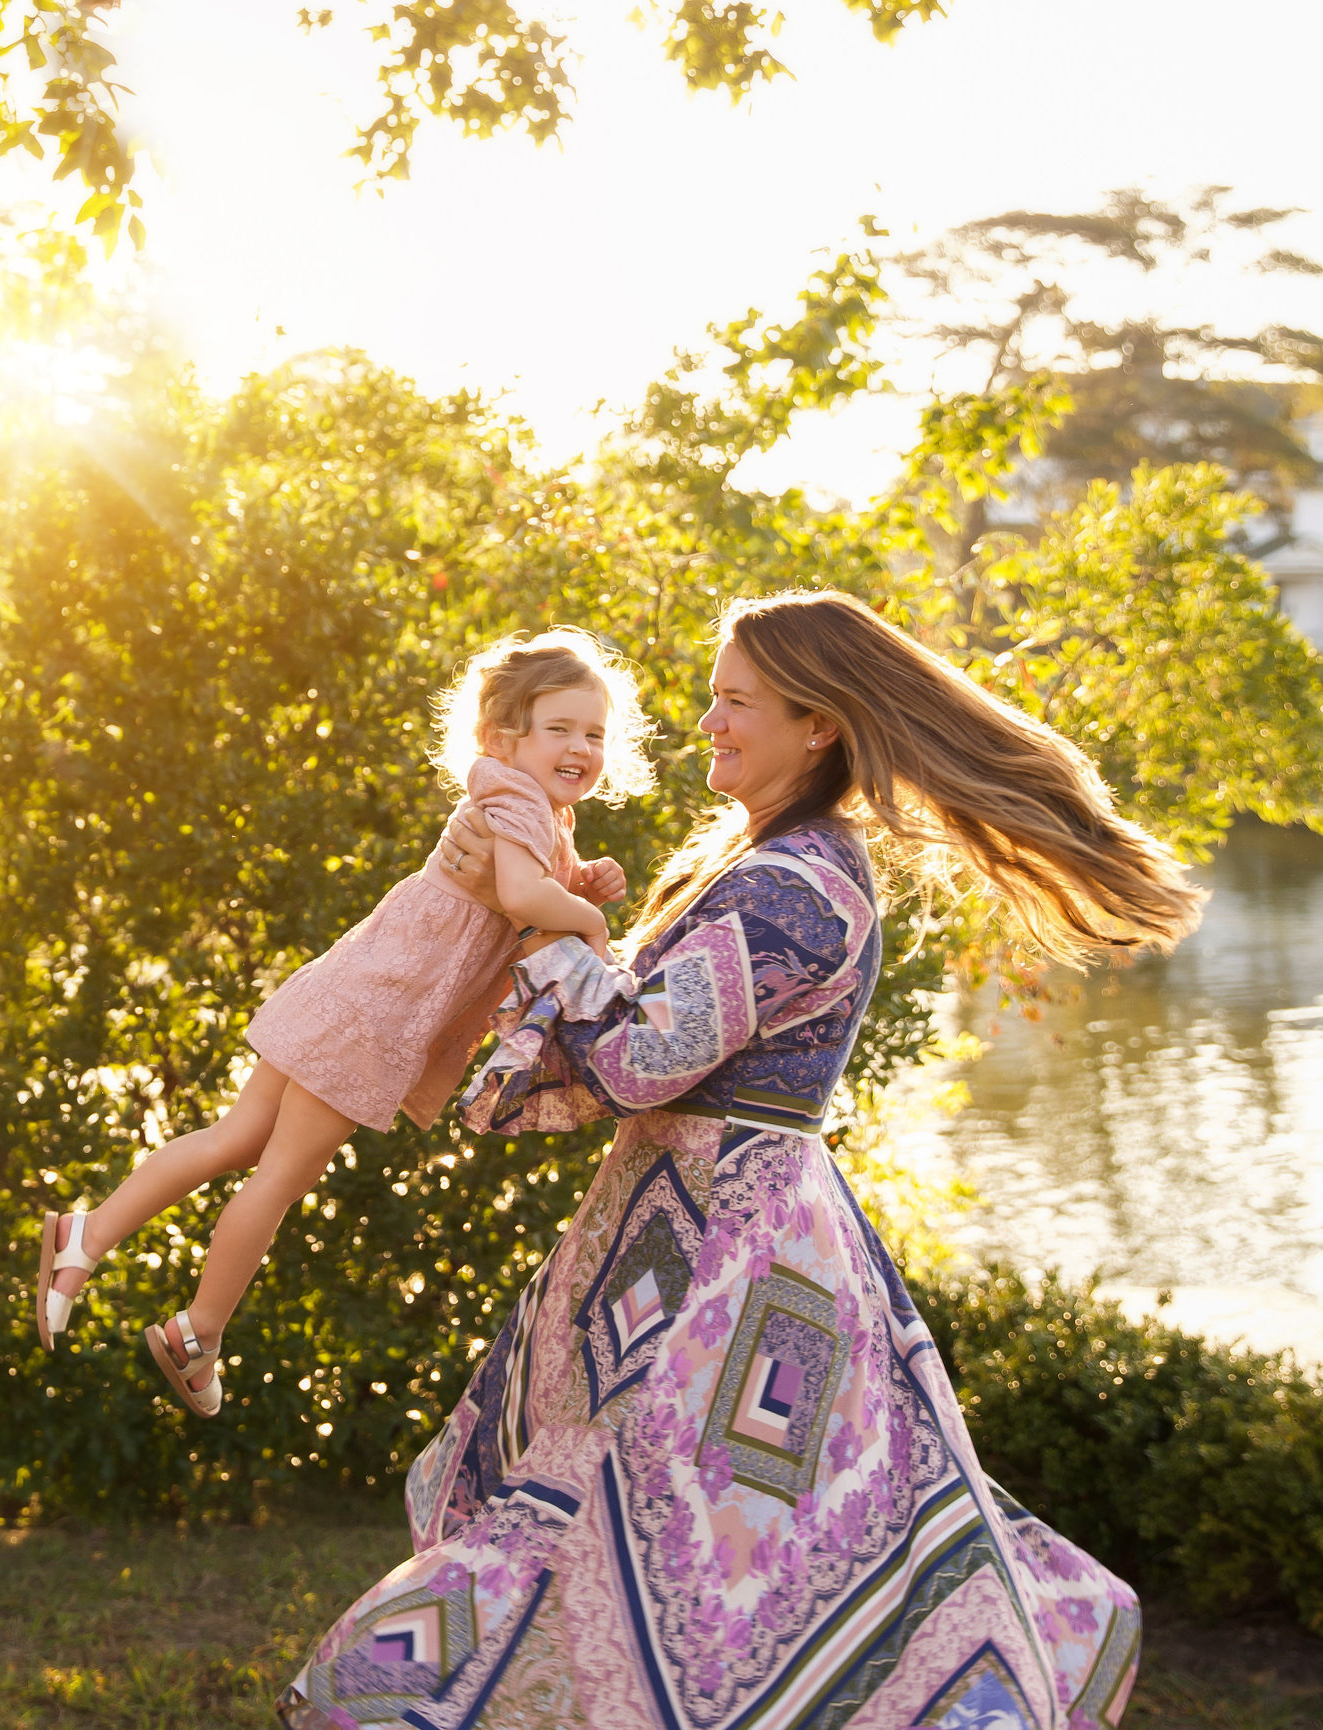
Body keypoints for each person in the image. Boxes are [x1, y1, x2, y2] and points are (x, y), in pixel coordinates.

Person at [281, 591, 1199, 1730]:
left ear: (817, 724)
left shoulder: (798, 884)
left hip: (732, 1262)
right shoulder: (754, 861)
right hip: (675, 1229)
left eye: (734, 700)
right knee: (665, 1532)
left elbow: (639, 1056)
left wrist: (540, 921)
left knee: (690, 1537)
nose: (707, 719)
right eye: (713, 695)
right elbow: (589, 1064)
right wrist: (512, 922)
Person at [34, 630, 646, 1416]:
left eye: (594, 734)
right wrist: (588, 914)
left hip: (354, 986)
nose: (580, 747)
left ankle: (84, 1238)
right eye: (559, 729)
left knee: (235, 1139)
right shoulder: (519, 799)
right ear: (504, 738)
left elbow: (528, 887)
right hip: (379, 1012)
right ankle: (196, 1334)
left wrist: (581, 879)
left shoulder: (523, 803)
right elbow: (527, 902)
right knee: (280, 1179)